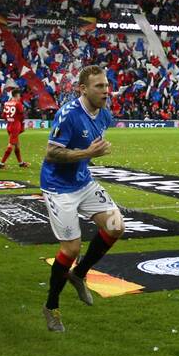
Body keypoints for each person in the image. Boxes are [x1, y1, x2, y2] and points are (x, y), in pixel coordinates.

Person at [39, 67, 125, 332]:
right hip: (58, 187)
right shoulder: (68, 115)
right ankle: (51, 307)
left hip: (83, 181)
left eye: (106, 85)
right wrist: (86, 152)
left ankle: (79, 273)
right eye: (98, 86)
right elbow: (52, 154)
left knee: (115, 226)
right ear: (83, 89)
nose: (105, 90)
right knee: (70, 249)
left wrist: (88, 155)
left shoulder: (104, 115)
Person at [0, 87, 29, 169]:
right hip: (15, 125)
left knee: (17, 145)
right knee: (11, 145)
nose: (20, 97)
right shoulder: (18, 103)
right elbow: (22, 115)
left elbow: (3, 116)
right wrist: (21, 124)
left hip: (9, 125)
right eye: (19, 95)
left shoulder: (6, 103)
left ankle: (21, 163)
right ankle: (1, 163)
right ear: (16, 95)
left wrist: (9, 119)